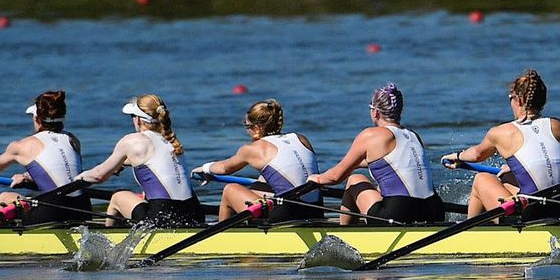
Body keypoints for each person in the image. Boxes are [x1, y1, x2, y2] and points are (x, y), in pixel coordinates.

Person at [441, 69, 560, 221]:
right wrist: (513, 168)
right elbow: (547, 162)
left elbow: (477, 154)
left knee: (481, 180)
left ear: (519, 100)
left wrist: (458, 156)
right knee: (508, 178)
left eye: (510, 98)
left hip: (530, 215)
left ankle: (469, 236)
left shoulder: (503, 132)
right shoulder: (557, 126)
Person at [309, 83, 444, 225]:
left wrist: (316, 179)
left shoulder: (371, 135)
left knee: (355, 180)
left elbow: (335, 177)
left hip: (399, 213)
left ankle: (343, 238)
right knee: (382, 186)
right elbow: (393, 164)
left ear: (376, 112)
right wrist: (355, 164)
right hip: (434, 210)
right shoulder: (413, 136)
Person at [0, 90, 93, 225]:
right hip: (83, 209)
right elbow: (63, 171)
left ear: (37, 119)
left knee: (5, 197)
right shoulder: (72, 139)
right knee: (41, 199)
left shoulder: (23, 145)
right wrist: (29, 176)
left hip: (52, 213)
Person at [76, 94, 205, 228]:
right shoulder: (171, 141)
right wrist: (120, 164)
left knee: (118, 197)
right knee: (146, 196)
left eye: (132, 116)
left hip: (163, 218)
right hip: (195, 214)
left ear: (138, 119)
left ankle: (109, 241)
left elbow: (98, 175)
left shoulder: (132, 141)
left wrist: (78, 179)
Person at [194, 98, 324, 223]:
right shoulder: (301, 138)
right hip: (317, 209)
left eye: (247, 126)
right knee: (257, 187)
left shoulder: (253, 149)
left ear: (257, 128)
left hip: (287, 215)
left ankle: (222, 238)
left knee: (230, 190)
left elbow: (224, 168)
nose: (247, 131)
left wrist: (204, 169)